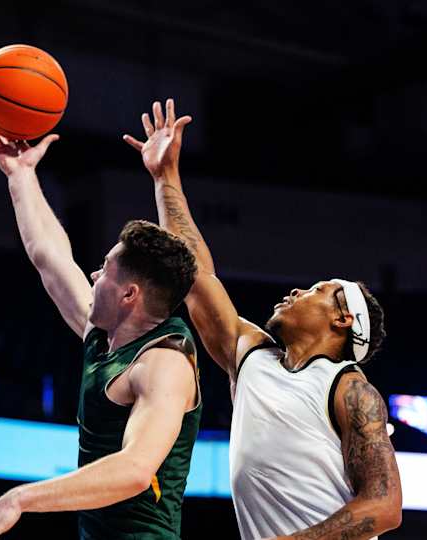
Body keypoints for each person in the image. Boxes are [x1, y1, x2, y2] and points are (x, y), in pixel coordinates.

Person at [124, 99, 402, 540]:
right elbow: (196, 275)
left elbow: (384, 506)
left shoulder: (349, 387)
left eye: (315, 291)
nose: (296, 292)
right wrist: (165, 178)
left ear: (343, 318)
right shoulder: (250, 354)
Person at [0, 127, 202, 540]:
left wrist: (18, 498)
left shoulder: (165, 363)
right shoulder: (106, 332)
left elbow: (135, 470)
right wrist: (20, 175)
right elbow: (50, 258)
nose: (93, 274)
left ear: (130, 294)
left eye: (105, 269)